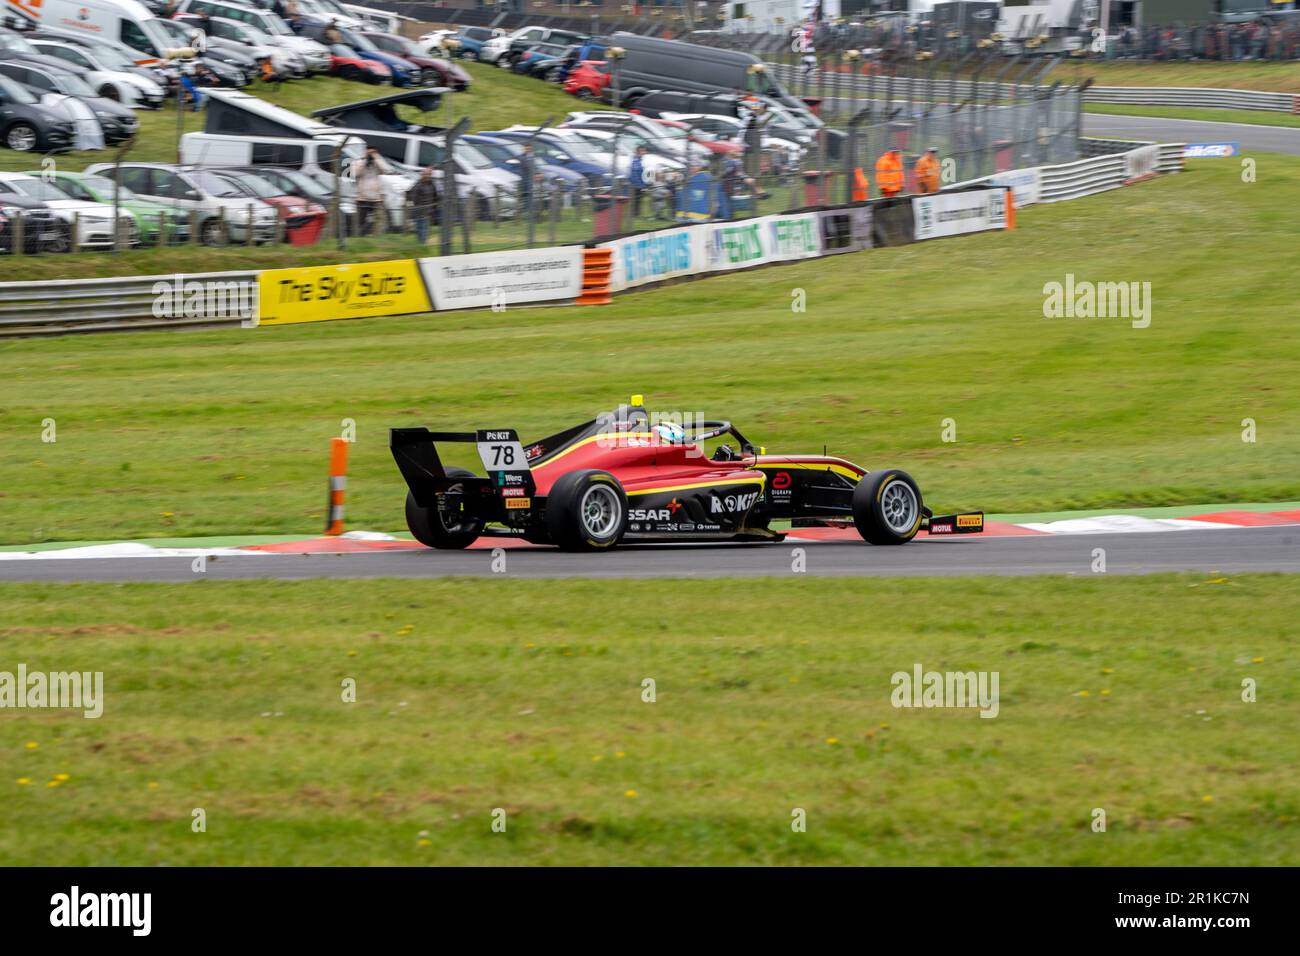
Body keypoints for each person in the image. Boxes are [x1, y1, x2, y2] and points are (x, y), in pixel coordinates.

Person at [349, 147, 391, 236]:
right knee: (360, 222)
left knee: (378, 221)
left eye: (373, 152)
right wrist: (365, 160)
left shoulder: (377, 162)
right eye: (369, 151)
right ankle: (359, 238)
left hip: (376, 198)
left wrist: (376, 157)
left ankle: (375, 237)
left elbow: (386, 169)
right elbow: (355, 174)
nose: (370, 154)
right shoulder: (357, 162)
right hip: (362, 198)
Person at [409, 166, 438, 245]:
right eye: (425, 174)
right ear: (422, 175)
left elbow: (435, 196)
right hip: (420, 210)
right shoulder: (418, 185)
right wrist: (419, 208)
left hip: (429, 210)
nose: (427, 176)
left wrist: (434, 208)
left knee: (425, 228)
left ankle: (423, 244)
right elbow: (414, 198)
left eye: (429, 174)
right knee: (420, 228)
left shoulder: (432, 184)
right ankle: (422, 244)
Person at [628, 145, 649, 217]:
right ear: (638, 152)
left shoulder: (640, 160)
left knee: (638, 199)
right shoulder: (635, 160)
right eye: (642, 151)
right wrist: (640, 185)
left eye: (645, 151)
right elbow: (635, 173)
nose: (644, 152)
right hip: (636, 184)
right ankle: (634, 214)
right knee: (636, 199)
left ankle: (636, 214)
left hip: (639, 183)